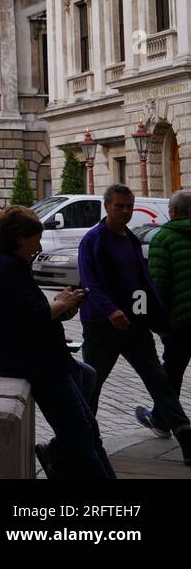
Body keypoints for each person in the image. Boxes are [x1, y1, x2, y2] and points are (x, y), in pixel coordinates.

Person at [0, 205, 115, 479]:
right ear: (19, 239)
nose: (39, 245)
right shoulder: (4, 268)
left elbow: (30, 314)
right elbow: (30, 317)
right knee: (80, 432)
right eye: (36, 239)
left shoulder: (9, 265)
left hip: (44, 359)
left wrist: (62, 308)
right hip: (36, 363)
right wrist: (59, 304)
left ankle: (62, 460)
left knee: (85, 427)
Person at [78, 184, 191, 462]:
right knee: (92, 382)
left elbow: (145, 283)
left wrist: (156, 319)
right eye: (120, 206)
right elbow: (90, 281)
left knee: (158, 380)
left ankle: (185, 435)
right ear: (107, 206)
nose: (126, 211)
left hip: (134, 324)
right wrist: (111, 310)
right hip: (102, 325)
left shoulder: (130, 239)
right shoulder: (93, 239)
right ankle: (82, 440)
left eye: (129, 206)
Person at [147, 189, 191, 437]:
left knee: (172, 372)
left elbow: (159, 285)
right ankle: (159, 418)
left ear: (172, 211)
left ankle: (163, 422)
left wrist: (159, 324)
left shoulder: (163, 238)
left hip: (181, 320)